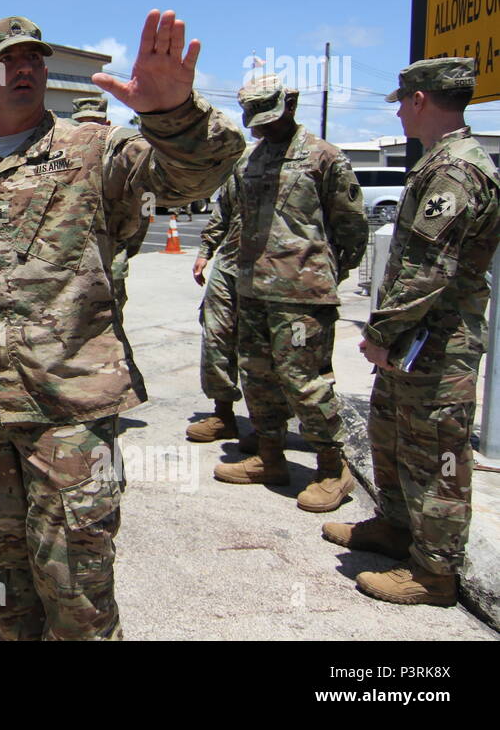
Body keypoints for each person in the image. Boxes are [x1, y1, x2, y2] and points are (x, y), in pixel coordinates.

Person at [0, 11, 244, 640]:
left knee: (77, 589)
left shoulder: (95, 149)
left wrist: (174, 112)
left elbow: (195, 171)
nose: (24, 70)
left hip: (69, 413)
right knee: (6, 573)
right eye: (6, 62)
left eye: (34, 59)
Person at [326, 58, 500, 607]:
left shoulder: (455, 171)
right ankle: (397, 528)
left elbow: (429, 270)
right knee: (392, 436)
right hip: (415, 342)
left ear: (421, 100)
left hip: (439, 344)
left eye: (402, 101)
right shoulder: (440, 162)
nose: (399, 111)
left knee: (437, 459)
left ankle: (434, 574)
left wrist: (380, 331)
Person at [212, 75, 367, 513]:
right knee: (258, 375)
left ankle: (332, 468)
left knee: (304, 381)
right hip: (254, 289)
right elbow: (236, 219)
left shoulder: (324, 157)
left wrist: (323, 274)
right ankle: (270, 456)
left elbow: (352, 227)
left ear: (291, 104)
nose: (261, 127)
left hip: (303, 295)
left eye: (269, 116)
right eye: (254, 120)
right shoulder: (250, 160)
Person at [185, 176, 254, 449]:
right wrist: (206, 250)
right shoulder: (245, 165)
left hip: (276, 272)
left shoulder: (315, 158)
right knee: (216, 337)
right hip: (229, 266)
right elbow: (224, 210)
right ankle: (222, 414)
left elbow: (344, 220)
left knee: (263, 351)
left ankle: (269, 429)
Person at [71, 94, 149, 318]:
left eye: (94, 122)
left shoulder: (121, 158)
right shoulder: (63, 159)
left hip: (111, 259)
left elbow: (143, 207)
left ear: (106, 123)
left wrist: (125, 249)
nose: (89, 128)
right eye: (82, 122)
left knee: (109, 323)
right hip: (72, 265)